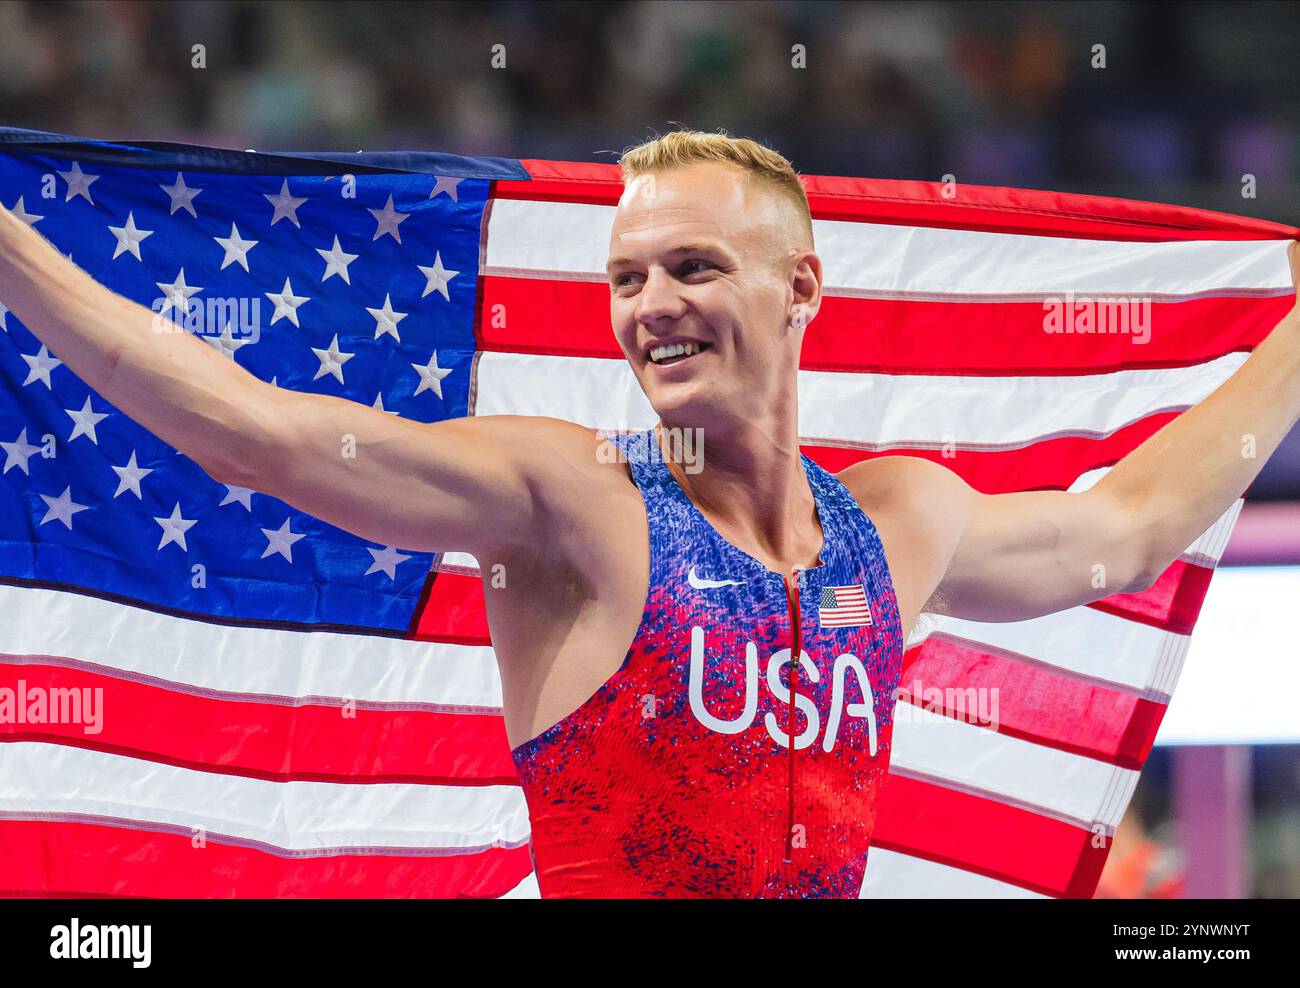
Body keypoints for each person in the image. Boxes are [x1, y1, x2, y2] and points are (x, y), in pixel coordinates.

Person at [1, 131, 1297, 898]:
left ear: (801, 287)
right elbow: (258, 434)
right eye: (627, 277)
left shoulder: (902, 522)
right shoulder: (573, 497)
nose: (650, 304)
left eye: (691, 266)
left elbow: (1131, 527)